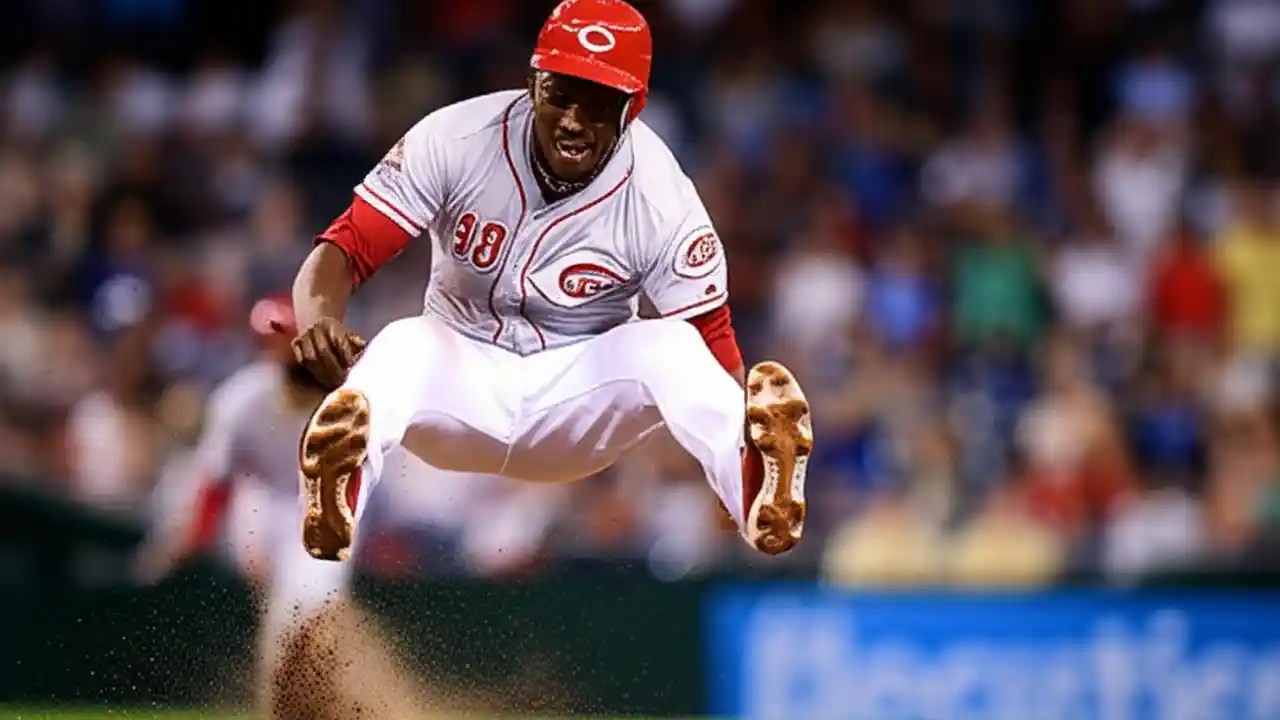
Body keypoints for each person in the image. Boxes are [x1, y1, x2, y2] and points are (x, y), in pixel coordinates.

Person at [289, 0, 814, 561]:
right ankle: (337, 496)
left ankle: (750, 485)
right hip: (457, 382)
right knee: (401, 343)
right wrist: (319, 321)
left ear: (631, 107)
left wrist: (727, 448)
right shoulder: (456, 139)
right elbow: (344, 249)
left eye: (596, 104)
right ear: (532, 82)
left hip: (577, 400)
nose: (572, 118)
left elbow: (713, 340)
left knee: (671, 343)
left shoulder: (662, 197)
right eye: (560, 93)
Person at [133, 294, 353, 711]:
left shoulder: (340, 395)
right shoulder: (240, 398)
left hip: (321, 505)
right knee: (287, 614)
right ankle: (291, 702)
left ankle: (309, 700)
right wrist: (195, 535)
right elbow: (217, 481)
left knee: (307, 611)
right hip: (264, 503)